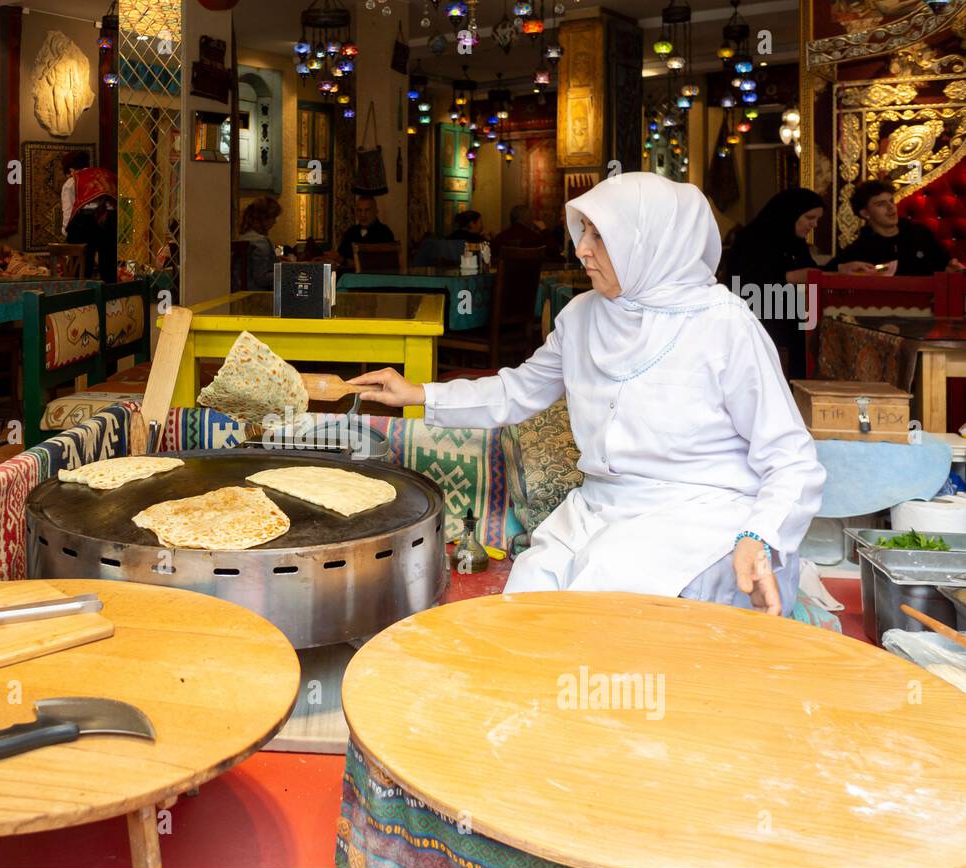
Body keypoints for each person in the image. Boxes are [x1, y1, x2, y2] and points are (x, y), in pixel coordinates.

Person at [350, 172, 825, 616]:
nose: (582, 251)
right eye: (584, 233)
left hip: (701, 513)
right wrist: (419, 393)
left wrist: (757, 536)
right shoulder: (582, 315)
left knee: (599, 607)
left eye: (601, 237)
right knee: (526, 604)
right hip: (598, 506)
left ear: (651, 245)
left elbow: (791, 458)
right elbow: (519, 390)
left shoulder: (723, 325)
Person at [723, 187, 826, 380]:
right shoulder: (752, 239)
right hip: (760, 326)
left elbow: (810, 272)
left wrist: (840, 269)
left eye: (817, 220)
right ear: (791, 213)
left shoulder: (796, 242)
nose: (814, 225)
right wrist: (790, 277)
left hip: (795, 326)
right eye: (810, 217)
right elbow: (743, 284)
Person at [831, 180, 964, 276]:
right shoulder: (860, 248)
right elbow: (823, 274)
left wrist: (953, 270)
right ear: (865, 213)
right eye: (881, 204)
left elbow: (947, 265)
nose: (891, 208)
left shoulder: (920, 234)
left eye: (891, 201)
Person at [60, 152, 117, 280]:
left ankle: (81, 296)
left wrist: (66, 231)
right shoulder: (108, 175)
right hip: (110, 221)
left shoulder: (72, 181)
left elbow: (68, 211)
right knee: (109, 268)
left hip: (84, 223)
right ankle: (110, 296)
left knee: (81, 269)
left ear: (71, 170)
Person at [326, 195, 396, 269]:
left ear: (376, 212)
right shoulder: (351, 232)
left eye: (367, 210)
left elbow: (383, 264)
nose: (363, 215)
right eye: (359, 210)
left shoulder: (384, 233)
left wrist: (345, 261)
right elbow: (341, 256)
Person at [239, 197, 290, 291]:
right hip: (258, 296)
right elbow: (261, 278)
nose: (275, 222)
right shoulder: (261, 242)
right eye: (273, 217)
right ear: (264, 219)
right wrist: (287, 271)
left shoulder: (242, 237)